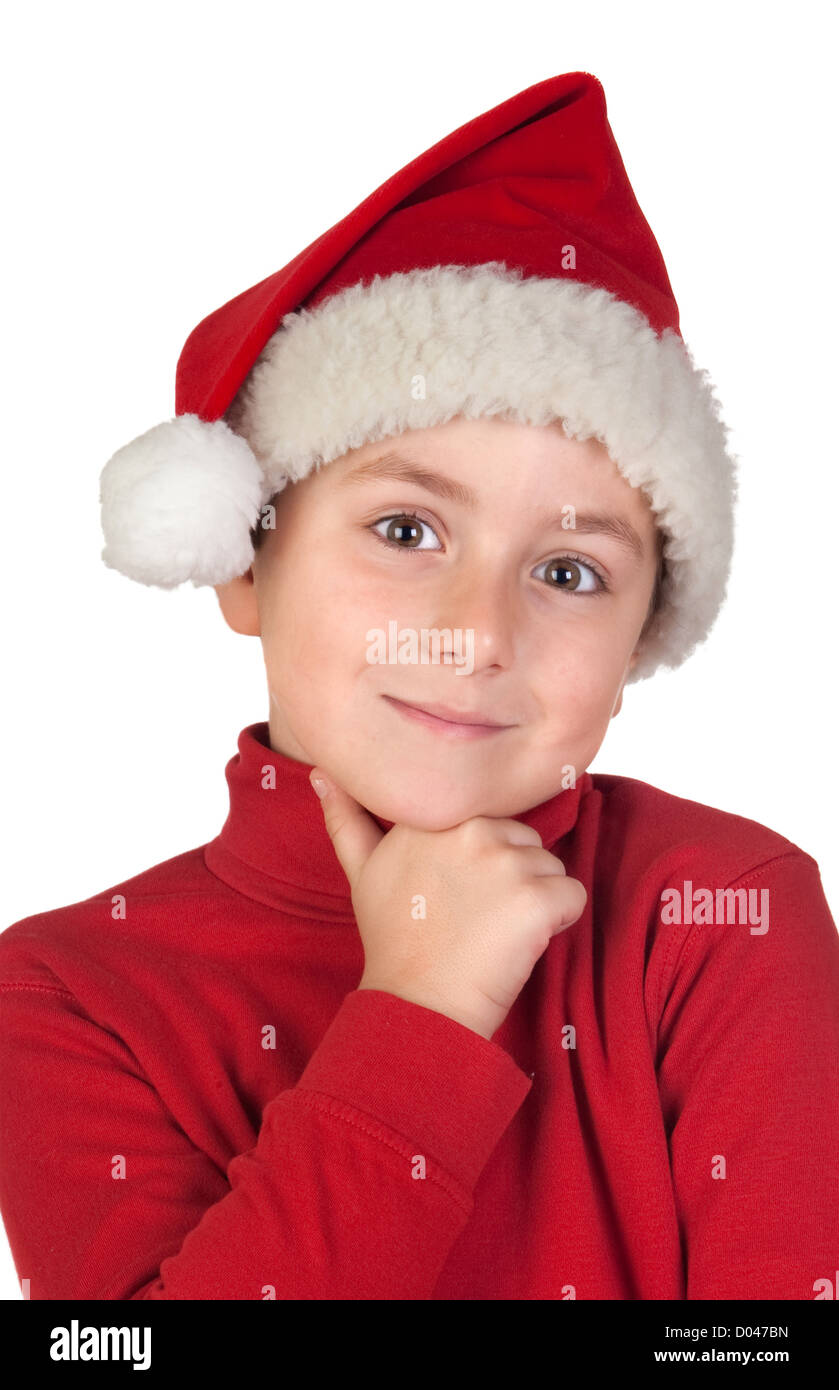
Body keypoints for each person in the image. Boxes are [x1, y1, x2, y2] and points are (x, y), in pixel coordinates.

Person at [1, 71, 837, 1301]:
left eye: (566, 568)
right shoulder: (67, 995)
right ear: (243, 562)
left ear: (636, 643)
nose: (474, 633)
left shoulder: (720, 912)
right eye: (405, 532)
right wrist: (423, 1012)